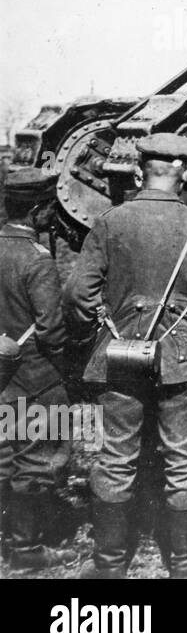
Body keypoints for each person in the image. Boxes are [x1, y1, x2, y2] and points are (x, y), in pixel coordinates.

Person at [63, 134, 187, 578]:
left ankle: (108, 565)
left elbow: (77, 296)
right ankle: (184, 564)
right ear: (183, 174)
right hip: (182, 361)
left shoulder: (110, 222)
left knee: (115, 458)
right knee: (185, 459)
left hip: (120, 354)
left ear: (141, 171)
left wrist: (99, 337)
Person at [0, 169, 77, 573]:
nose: (53, 215)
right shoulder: (37, 260)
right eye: (49, 208)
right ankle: (26, 549)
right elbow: (51, 328)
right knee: (38, 458)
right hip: (32, 375)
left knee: (4, 455)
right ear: (36, 210)